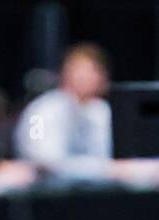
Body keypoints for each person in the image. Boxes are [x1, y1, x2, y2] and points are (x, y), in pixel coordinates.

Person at [13, 42, 112, 174]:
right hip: (45, 190)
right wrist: (108, 169)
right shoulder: (40, 112)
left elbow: (108, 154)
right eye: (79, 70)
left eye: (93, 70)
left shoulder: (102, 111)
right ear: (65, 73)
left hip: (101, 189)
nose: (85, 77)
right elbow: (42, 160)